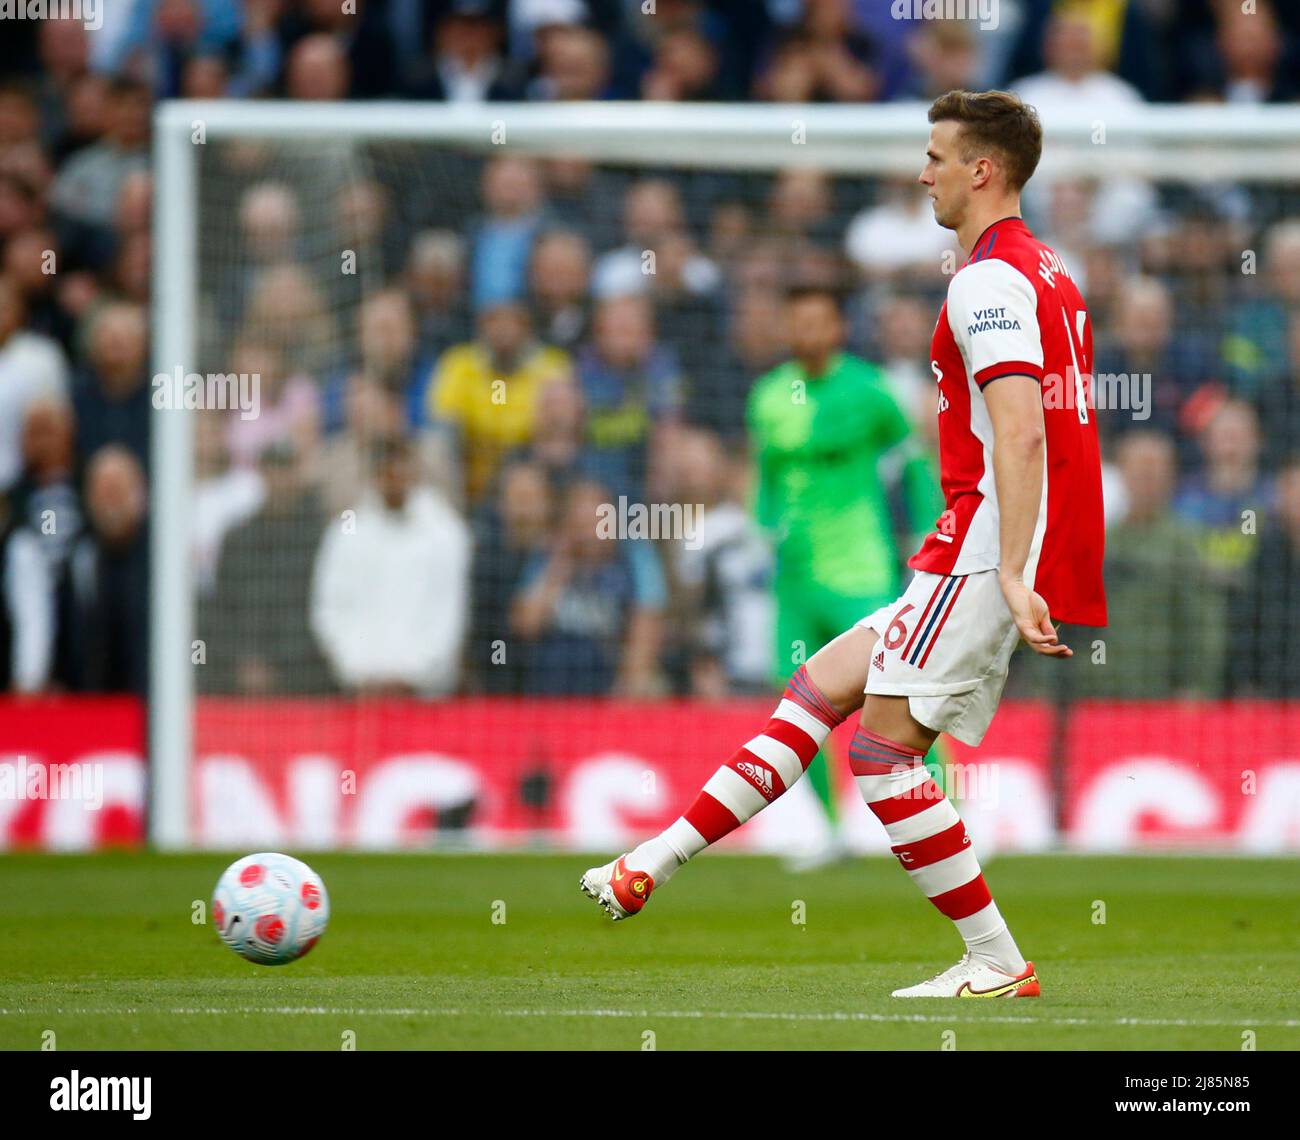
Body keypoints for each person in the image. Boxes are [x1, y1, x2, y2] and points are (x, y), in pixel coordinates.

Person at [581, 90, 1107, 1000]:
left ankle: (995, 960)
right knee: (819, 687)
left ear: (983, 170)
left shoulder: (986, 279)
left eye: (938, 156)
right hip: (981, 539)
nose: (923, 172)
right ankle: (649, 864)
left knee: (882, 756)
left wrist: (1016, 568)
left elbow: (1022, 432)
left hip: (986, 538)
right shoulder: (1050, 269)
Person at [746, 283, 941, 867]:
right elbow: (765, 479)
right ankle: (828, 832)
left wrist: (932, 534)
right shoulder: (769, 396)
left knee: (901, 697)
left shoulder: (871, 391)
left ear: (838, 328)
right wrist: (762, 532)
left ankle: (944, 818)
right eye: (797, 321)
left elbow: (912, 464)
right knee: (796, 700)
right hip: (795, 578)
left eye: (818, 321)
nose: (808, 332)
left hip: (861, 569)